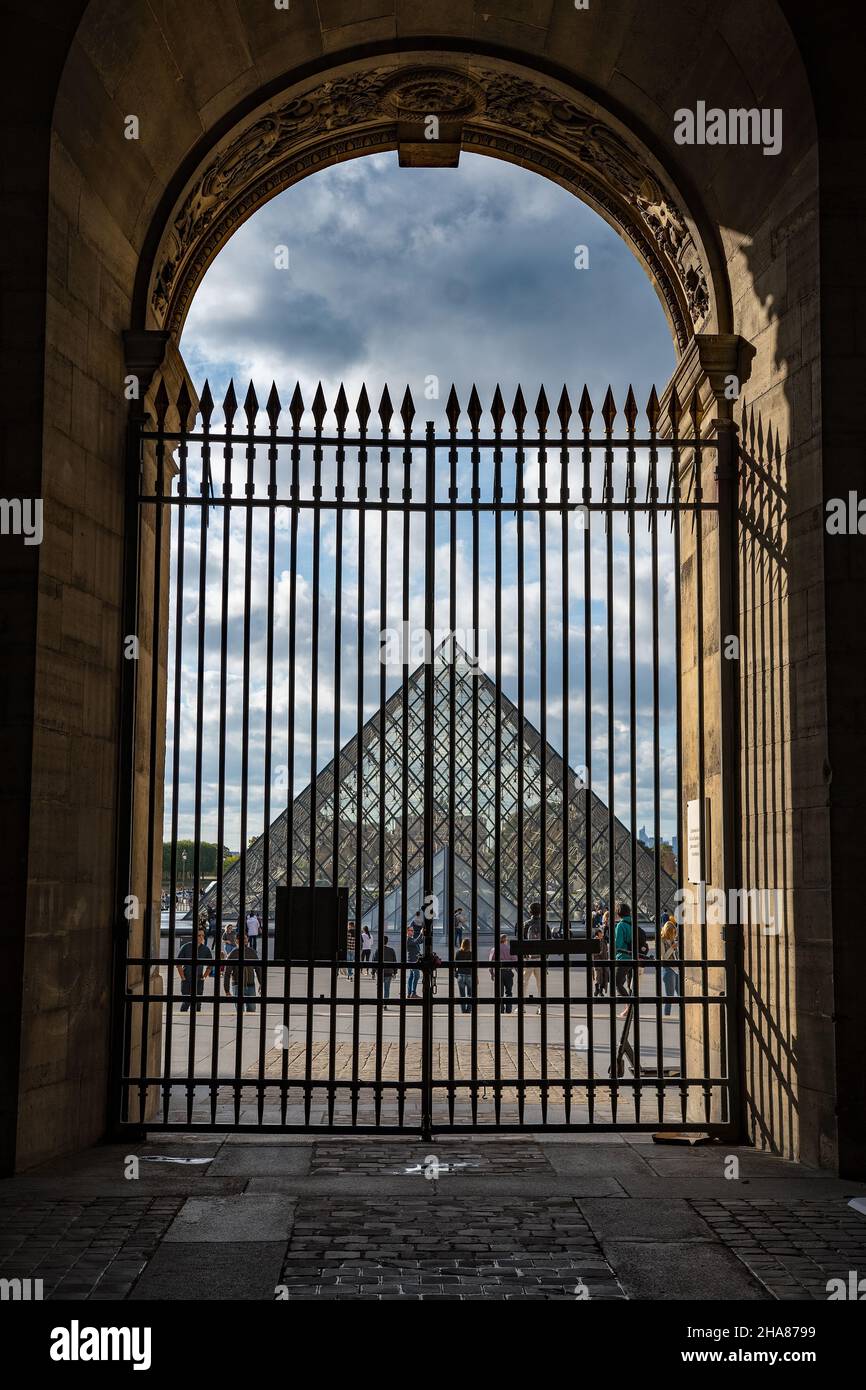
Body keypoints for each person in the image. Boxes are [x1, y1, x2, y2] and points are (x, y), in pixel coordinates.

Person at [223, 926, 261, 1012]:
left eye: (246, 938)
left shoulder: (252, 952)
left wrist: (261, 983)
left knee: (252, 1009)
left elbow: (258, 969)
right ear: (237, 940)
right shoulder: (233, 954)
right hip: (237, 985)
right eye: (243, 939)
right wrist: (227, 989)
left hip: (250, 985)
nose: (245, 940)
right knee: (240, 1010)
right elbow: (227, 973)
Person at [177, 925, 212, 1012]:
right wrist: (183, 977)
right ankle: (183, 1019)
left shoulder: (206, 949)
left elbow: (210, 965)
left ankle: (197, 1021)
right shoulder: (186, 947)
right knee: (186, 1002)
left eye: (203, 936)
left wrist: (204, 977)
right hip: (187, 979)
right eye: (199, 935)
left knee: (198, 1003)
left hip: (198, 979)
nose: (201, 937)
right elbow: (178, 964)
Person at [614, 901, 634, 1017]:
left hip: (623, 957)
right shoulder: (633, 923)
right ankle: (627, 1008)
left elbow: (618, 944)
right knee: (629, 984)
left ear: (618, 913)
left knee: (617, 983)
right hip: (633, 958)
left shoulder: (621, 925)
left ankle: (630, 1005)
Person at [522, 901, 544, 1011]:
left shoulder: (526, 924)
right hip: (540, 959)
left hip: (528, 959)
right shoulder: (544, 924)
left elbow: (521, 942)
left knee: (524, 983)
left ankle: (521, 1006)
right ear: (540, 911)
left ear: (530, 911)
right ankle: (541, 1007)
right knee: (541, 984)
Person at [489, 934, 515, 1013]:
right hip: (508, 972)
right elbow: (515, 961)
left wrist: (492, 973)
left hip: (498, 972)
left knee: (499, 992)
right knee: (509, 992)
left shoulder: (494, 949)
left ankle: (500, 1009)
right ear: (505, 940)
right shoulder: (510, 949)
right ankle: (509, 1009)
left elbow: (491, 962)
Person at [660, 918, 679, 1016]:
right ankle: (667, 1016)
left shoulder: (672, 940)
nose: (674, 935)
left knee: (681, 995)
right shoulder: (662, 941)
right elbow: (663, 957)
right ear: (668, 932)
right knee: (669, 997)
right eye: (672, 933)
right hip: (668, 970)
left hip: (676, 969)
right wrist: (672, 948)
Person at [373, 935, 398, 1008]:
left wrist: (373, 972)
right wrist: (395, 972)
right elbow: (394, 962)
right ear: (387, 942)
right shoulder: (391, 950)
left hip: (380, 972)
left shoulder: (378, 950)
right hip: (389, 972)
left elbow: (374, 961)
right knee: (387, 989)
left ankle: (380, 1002)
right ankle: (385, 1003)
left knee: (379, 988)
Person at [454, 939, 473, 1014]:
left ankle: (463, 1010)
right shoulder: (471, 953)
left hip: (460, 975)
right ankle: (468, 1010)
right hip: (469, 975)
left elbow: (455, 964)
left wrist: (456, 973)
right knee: (470, 994)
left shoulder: (458, 952)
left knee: (462, 995)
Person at [592, 924, 609, 998]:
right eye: (600, 933)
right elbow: (593, 953)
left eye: (602, 933)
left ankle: (601, 991)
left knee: (604, 976)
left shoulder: (603, 941)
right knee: (598, 976)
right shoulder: (594, 941)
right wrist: (599, 953)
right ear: (597, 935)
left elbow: (606, 950)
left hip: (604, 960)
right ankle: (596, 990)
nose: (602, 934)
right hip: (597, 961)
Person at [405, 925, 421, 999]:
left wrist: (423, 935)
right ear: (407, 931)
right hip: (412, 960)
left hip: (413, 960)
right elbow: (416, 941)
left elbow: (419, 941)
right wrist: (421, 934)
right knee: (417, 975)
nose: (413, 932)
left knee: (411, 977)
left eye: (413, 930)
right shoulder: (408, 939)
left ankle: (409, 993)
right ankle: (413, 993)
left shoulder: (411, 938)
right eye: (411, 930)